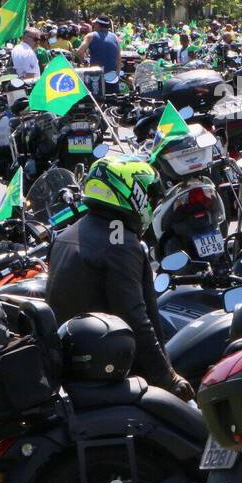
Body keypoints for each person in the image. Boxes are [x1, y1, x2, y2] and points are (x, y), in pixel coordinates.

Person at [44, 156, 193, 401]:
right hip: (111, 370)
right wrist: (169, 379)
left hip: (75, 364)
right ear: (131, 192)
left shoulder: (69, 233)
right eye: (149, 193)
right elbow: (135, 317)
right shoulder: (121, 243)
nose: (152, 201)